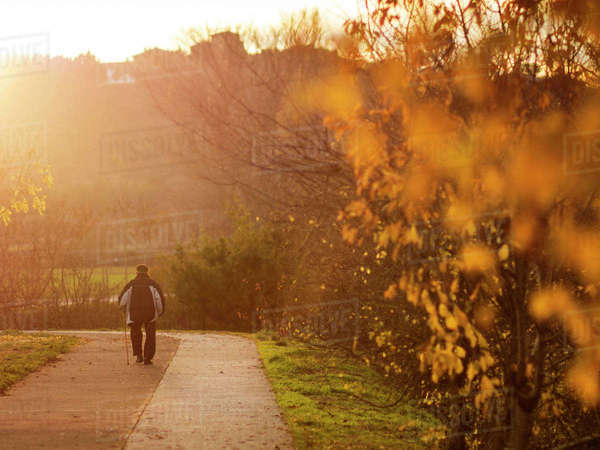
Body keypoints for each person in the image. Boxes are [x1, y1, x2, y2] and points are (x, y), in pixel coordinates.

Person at [118, 264, 165, 365]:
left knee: (135, 333)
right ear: (147, 272)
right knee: (150, 335)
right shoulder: (153, 284)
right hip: (150, 313)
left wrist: (123, 309)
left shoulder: (131, 284)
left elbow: (122, 300)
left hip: (135, 313)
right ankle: (148, 357)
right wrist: (160, 312)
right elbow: (159, 300)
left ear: (137, 272)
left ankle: (139, 355)